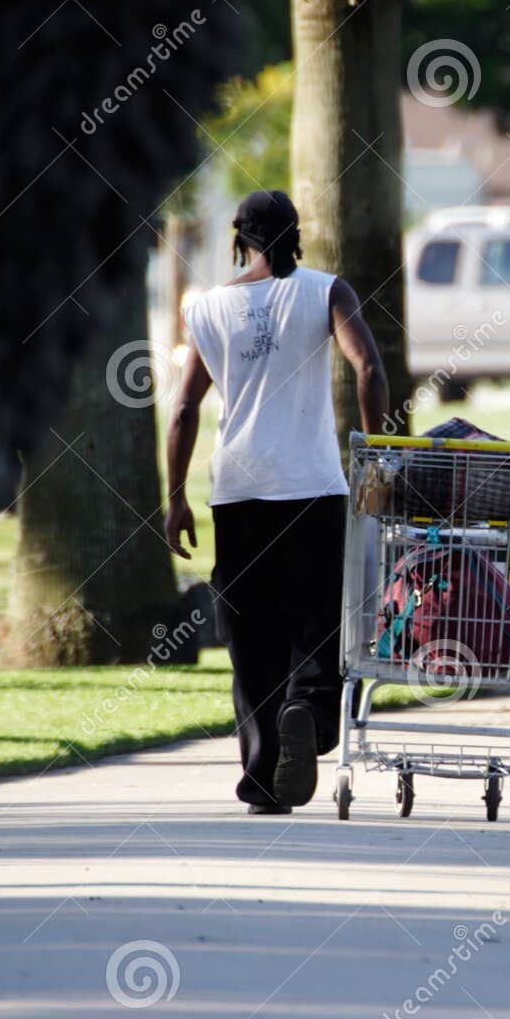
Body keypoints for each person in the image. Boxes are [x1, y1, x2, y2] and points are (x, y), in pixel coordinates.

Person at [165, 190, 389, 815]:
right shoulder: (326, 291)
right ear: (297, 235)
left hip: (236, 494)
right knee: (319, 625)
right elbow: (367, 367)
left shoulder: (208, 308)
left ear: (240, 238)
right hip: (313, 488)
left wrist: (176, 498)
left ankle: (262, 783)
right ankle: (310, 718)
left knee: (250, 640)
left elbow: (184, 408)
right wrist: (375, 457)